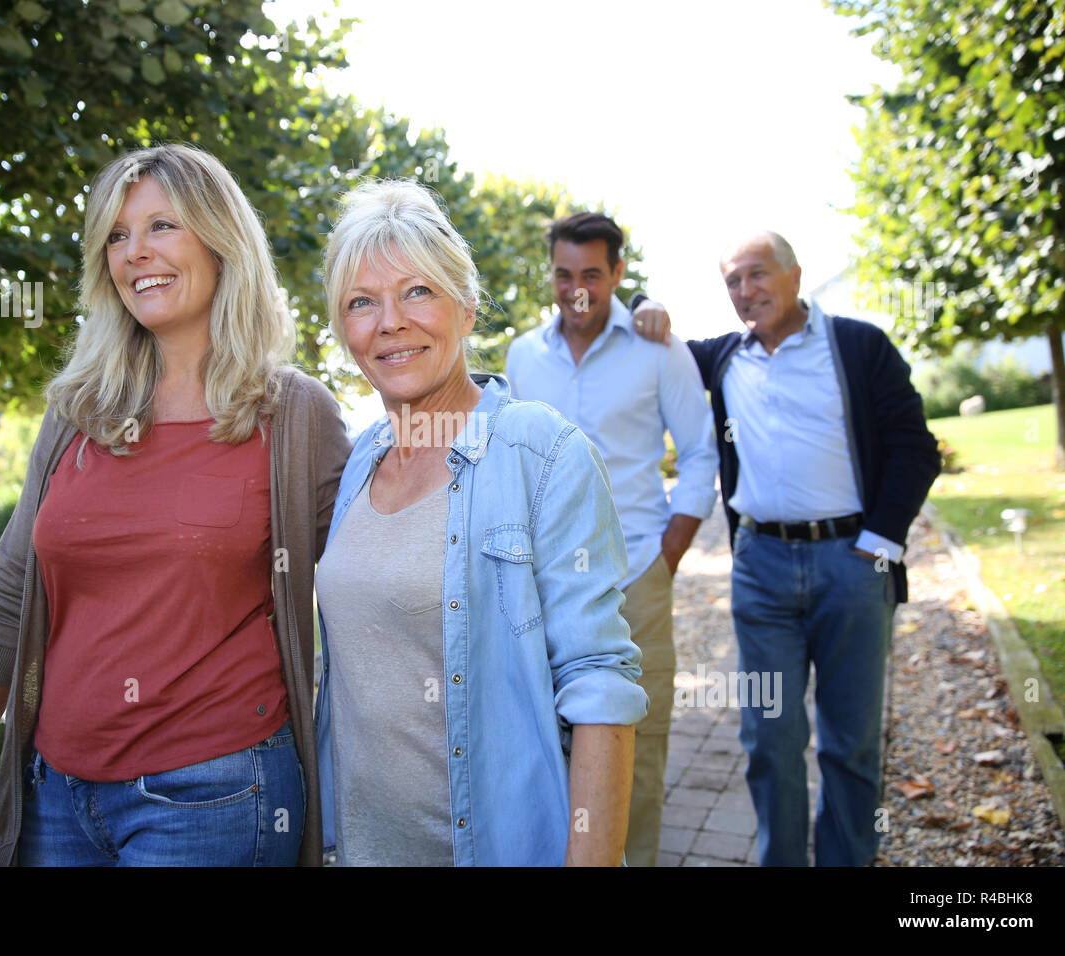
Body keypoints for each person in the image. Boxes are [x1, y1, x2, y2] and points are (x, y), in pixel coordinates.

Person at [0, 144, 350, 867]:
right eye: (117, 235)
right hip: (54, 796)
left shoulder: (294, 415)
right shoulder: (74, 413)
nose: (135, 253)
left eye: (161, 227)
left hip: (217, 795)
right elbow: (9, 596)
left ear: (220, 238)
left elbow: (364, 592)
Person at [314, 181, 648, 866]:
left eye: (417, 292)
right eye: (361, 302)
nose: (390, 322)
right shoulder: (359, 464)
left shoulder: (541, 452)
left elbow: (600, 683)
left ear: (466, 308)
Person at [630, 231, 941, 865]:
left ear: (795, 275)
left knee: (849, 743)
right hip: (762, 570)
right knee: (769, 737)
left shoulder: (857, 347)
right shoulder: (721, 359)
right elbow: (650, 349)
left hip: (852, 565)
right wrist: (640, 301)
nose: (747, 292)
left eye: (757, 275)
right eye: (733, 283)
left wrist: (879, 542)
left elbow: (916, 447)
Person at [504, 212, 718, 867]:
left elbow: (703, 453)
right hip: (539, 585)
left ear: (618, 274)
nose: (576, 290)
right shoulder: (522, 356)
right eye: (564, 274)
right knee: (540, 738)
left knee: (637, 744)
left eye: (592, 275)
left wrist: (667, 555)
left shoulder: (660, 351)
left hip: (634, 580)